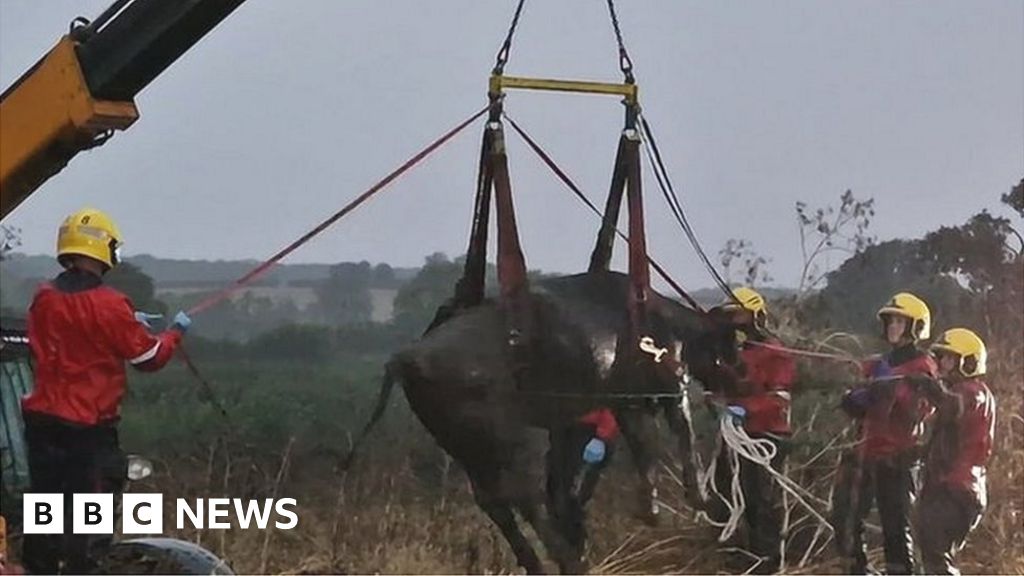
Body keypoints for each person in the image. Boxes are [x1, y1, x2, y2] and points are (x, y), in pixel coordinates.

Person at [20, 208, 192, 574]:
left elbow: (66, 331)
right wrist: (174, 333)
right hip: (88, 427)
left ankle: (40, 568)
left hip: (42, 424)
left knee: (47, 510)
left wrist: (126, 322)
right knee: (89, 520)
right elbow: (149, 358)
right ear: (105, 248)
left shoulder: (44, 296)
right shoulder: (111, 304)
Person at [834, 292, 936, 575]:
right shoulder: (880, 363)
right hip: (865, 450)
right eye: (890, 321)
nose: (892, 326)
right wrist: (854, 399)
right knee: (845, 518)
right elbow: (863, 398)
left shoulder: (923, 366)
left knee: (896, 529)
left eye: (900, 322)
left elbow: (922, 410)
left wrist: (890, 393)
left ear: (915, 327)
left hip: (897, 458)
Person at [707, 287, 796, 574]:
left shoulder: (775, 352)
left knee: (762, 498)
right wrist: (718, 399)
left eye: (739, 315)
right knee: (734, 493)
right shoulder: (737, 354)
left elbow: (780, 397)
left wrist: (747, 409)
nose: (735, 322)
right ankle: (744, 554)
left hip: (767, 435)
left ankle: (768, 560)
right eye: (731, 316)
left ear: (755, 316)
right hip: (740, 435)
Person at [914, 328, 995, 576]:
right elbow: (944, 441)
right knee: (931, 553)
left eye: (950, 358)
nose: (943, 364)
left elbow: (953, 405)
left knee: (937, 556)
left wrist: (929, 387)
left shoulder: (973, 391)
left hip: (957, 489)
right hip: (949, 487)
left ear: (968, 362)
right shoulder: (961, 393)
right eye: (942, 358)